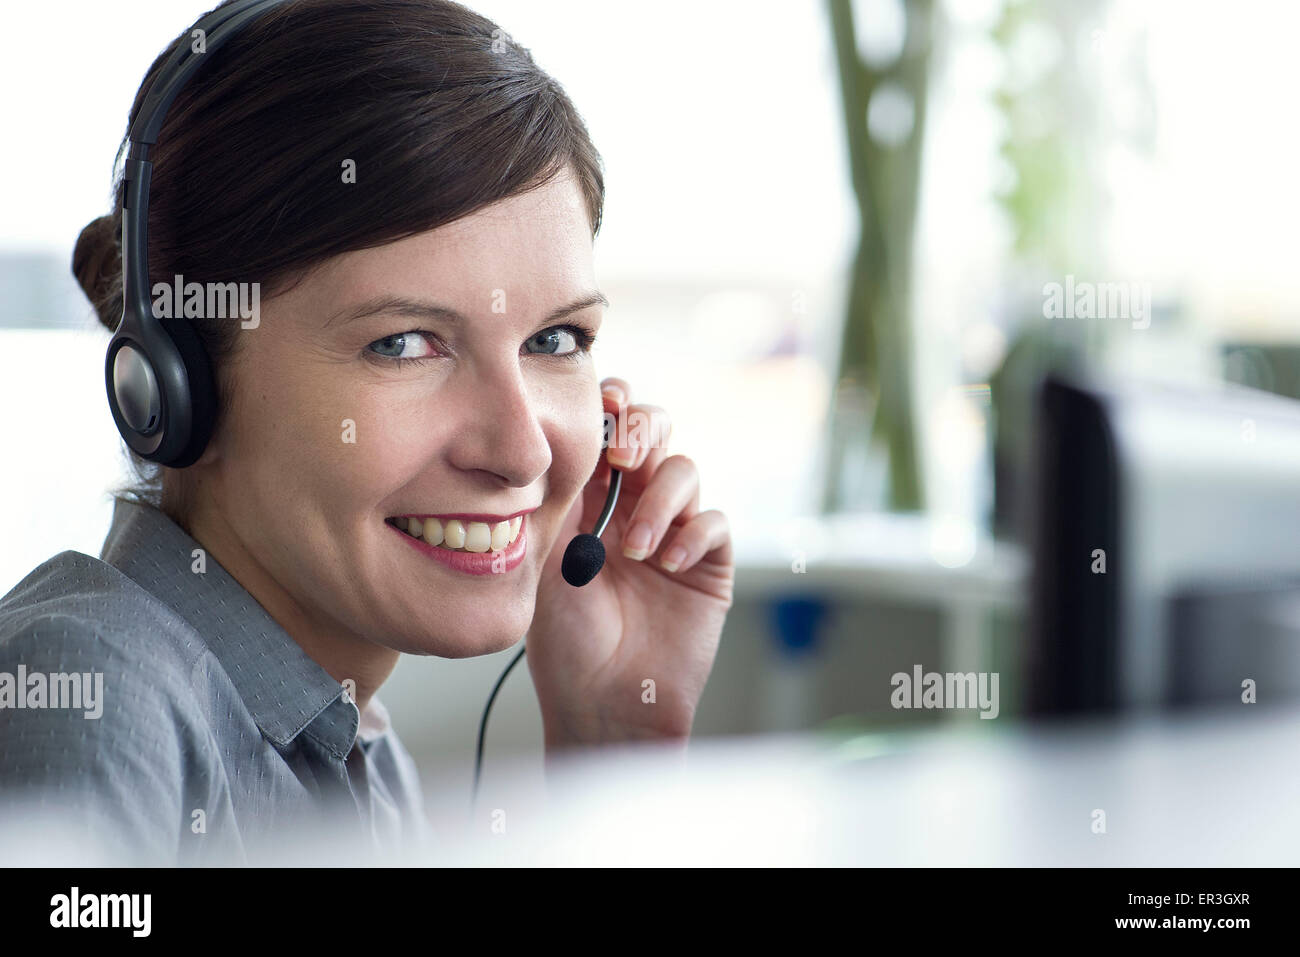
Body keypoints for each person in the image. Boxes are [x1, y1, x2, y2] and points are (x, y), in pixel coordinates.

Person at [0, 0, 733, 865]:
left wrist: (608, 749)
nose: (524, 451)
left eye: (555, 339)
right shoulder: (92, 689)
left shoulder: (350, 744)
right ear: (177, 384)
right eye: (404, 344)